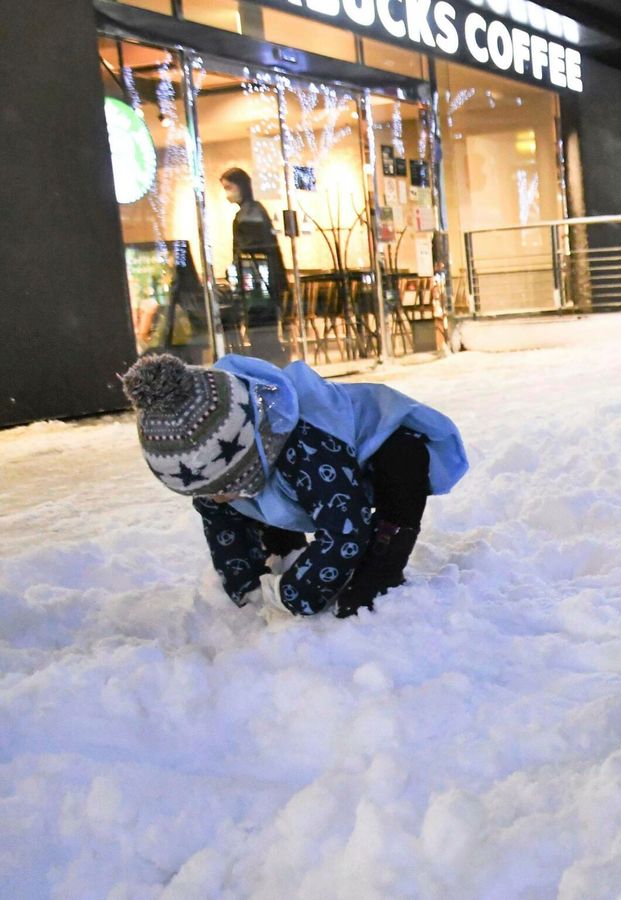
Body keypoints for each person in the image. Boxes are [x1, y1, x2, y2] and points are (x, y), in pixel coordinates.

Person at [119, 352, 468, 618]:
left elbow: (346, 528)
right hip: (288, 473)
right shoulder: (219, 466)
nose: (214, 497)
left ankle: (384, 560)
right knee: (256, 501)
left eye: (220, 487)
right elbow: (223, 526)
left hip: (372, 452)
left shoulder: (310, 447)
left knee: (402, 459)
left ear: (243, 462)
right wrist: (247, 587)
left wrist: (295, 597)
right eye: (204, 490)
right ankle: (286, 550)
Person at [220, 168, 289, 365]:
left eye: (229, 187)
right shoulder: (254, 211)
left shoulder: (249, 215)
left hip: (258, 289)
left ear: (241, 186)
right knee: (265, 337)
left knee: (262, 338)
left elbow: (250, 255)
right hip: (264, 286)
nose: (227, 193)